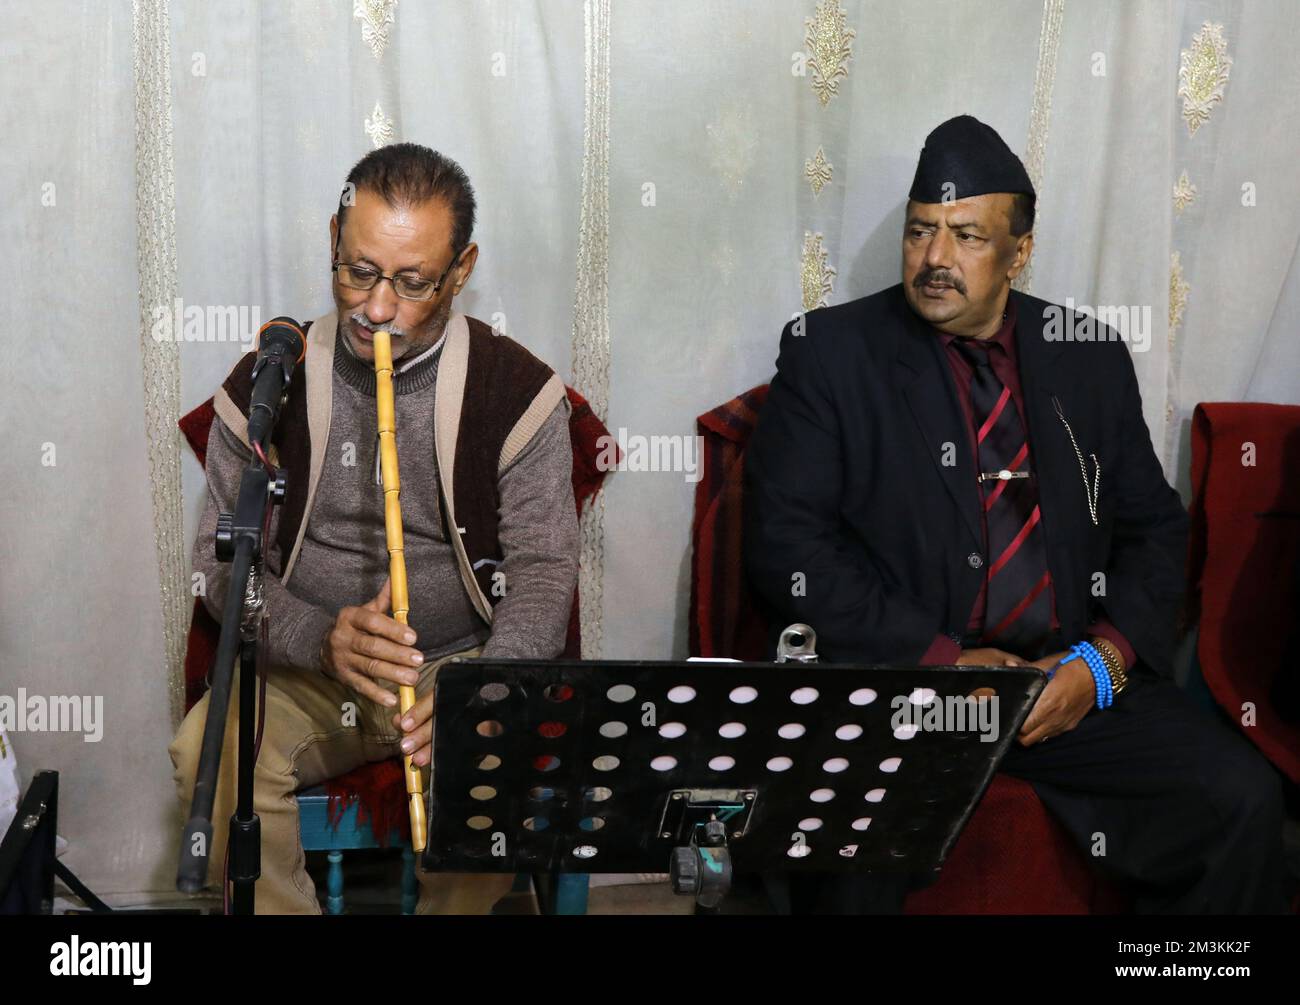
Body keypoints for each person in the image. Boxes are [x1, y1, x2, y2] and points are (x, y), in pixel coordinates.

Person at [744, 115, 1287, 914]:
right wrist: (941, 660)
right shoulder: (831, 352)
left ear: (1019, 251)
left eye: (966, 236)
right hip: (905, 687)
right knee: (855, 851)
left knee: (1239, 798)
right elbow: (788, 545)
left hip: (1060, 680)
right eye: (920, 231)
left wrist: (1099, 665)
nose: (935, 258)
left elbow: (1155, 531)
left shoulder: (1086, 355)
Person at [170, 143, 578, 914]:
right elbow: (221, 568)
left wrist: (482, 688)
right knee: (207, 754)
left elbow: (545, 573)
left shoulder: (519, 392)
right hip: (312, 670)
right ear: (334, 239)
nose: (378, 308)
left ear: (461, 270)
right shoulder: (267, 385)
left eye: (413, 282)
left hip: (458, 663)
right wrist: (318, 637)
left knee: (494, 765)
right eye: (359, 272)